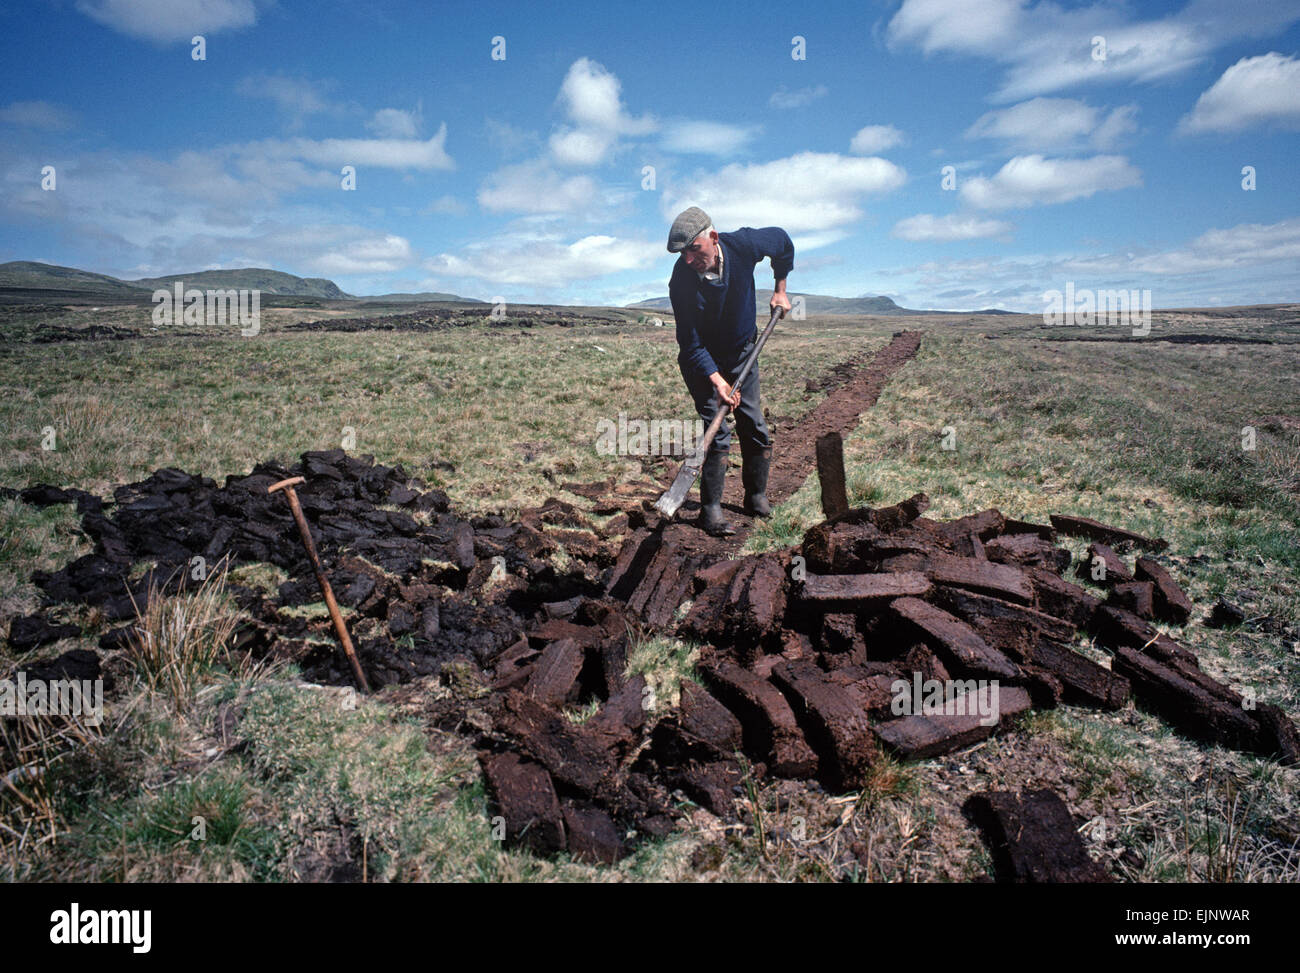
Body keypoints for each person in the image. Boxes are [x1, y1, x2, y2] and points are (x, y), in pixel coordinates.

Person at [666, 206, 793, 536]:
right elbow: (690, 345)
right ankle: (709, 511)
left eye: (695, 249)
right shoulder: (680, 283)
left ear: (713, 238)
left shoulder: (744, 245)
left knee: (754, 423)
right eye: (683, 254)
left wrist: (780, 289)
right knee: (718, 429)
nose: (690, 260)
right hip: (702, 363)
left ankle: (756, 497)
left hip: (742, 354)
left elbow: (782, 242)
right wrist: (718, 381)